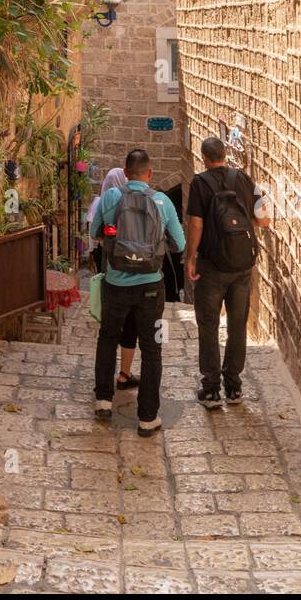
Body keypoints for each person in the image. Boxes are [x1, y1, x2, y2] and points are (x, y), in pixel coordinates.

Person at [91, 148, 185, 436]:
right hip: (150, 287)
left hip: (116, 284)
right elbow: (179, 244)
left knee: (108, 338)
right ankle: (147, 418)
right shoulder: (163, 201)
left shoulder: (110, 198)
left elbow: (95, 232)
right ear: (150, 173)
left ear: (125, 171)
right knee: (153, 350)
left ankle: (104, 401)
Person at [185, 136, 270, 409]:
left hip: (211, 268)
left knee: (208, 325)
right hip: (242, 267)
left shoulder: (200, 183)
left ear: (205, 158)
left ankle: (211, 390)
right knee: (237, 324)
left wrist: (191, 257)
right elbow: (263, 219)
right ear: (224, 155)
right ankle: (233, 387)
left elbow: (196, 224)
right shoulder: (243, 180)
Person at [86, 166, 139, 390]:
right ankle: (124, 374)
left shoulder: (103, 202)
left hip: (111, 270)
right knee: (131, 326)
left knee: (108, 331)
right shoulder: (135, 202)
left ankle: (103, 392)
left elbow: (94, 232)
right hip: (137, 273)